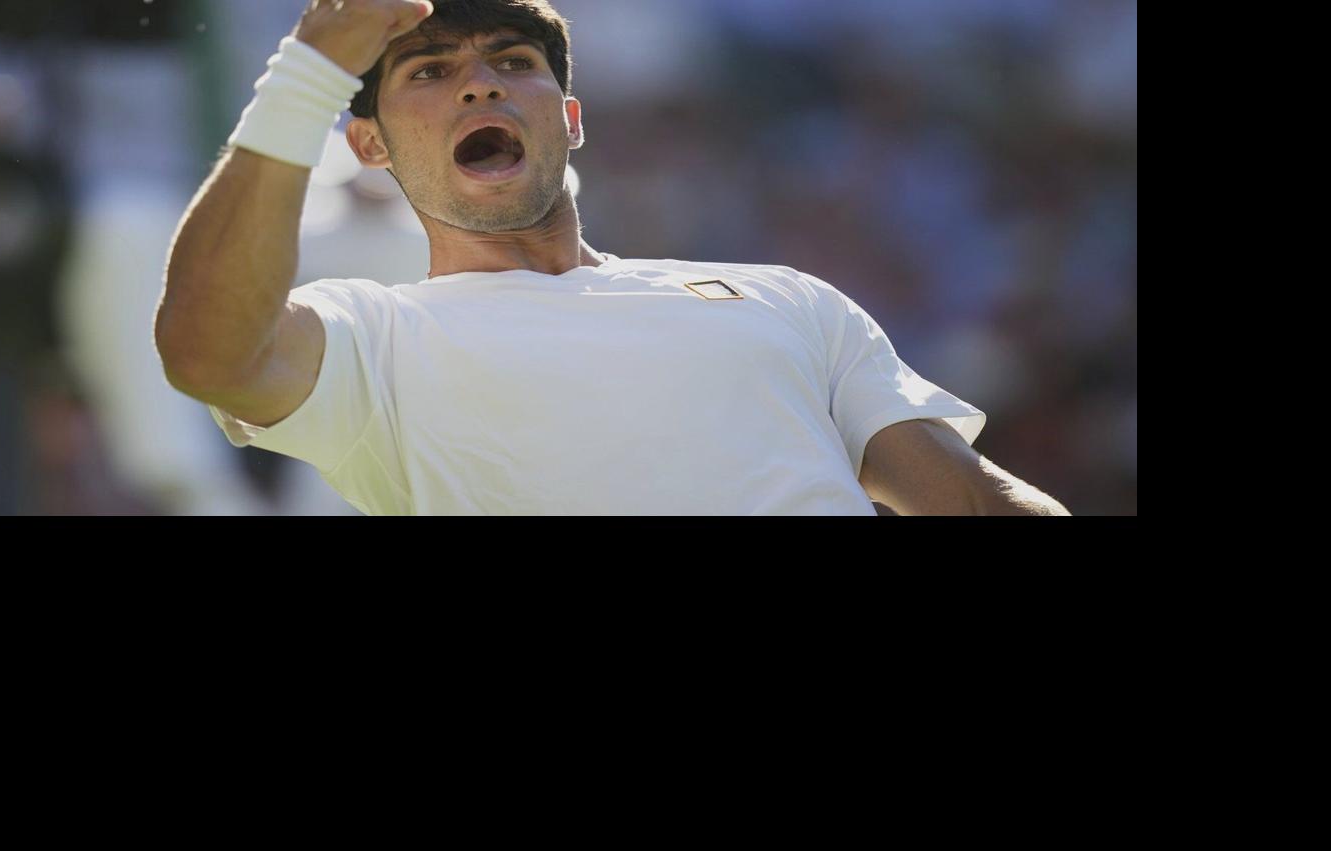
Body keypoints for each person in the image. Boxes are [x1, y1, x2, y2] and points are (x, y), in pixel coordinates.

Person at [154, 0, 1069, 516]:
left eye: (512, 61)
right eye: (427, 72)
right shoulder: (369, 338)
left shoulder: (790, 300)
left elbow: (974, 504)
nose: (480, 81)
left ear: (571, 119)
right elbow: (207, 353)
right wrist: (304, 76)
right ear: (370, 146)